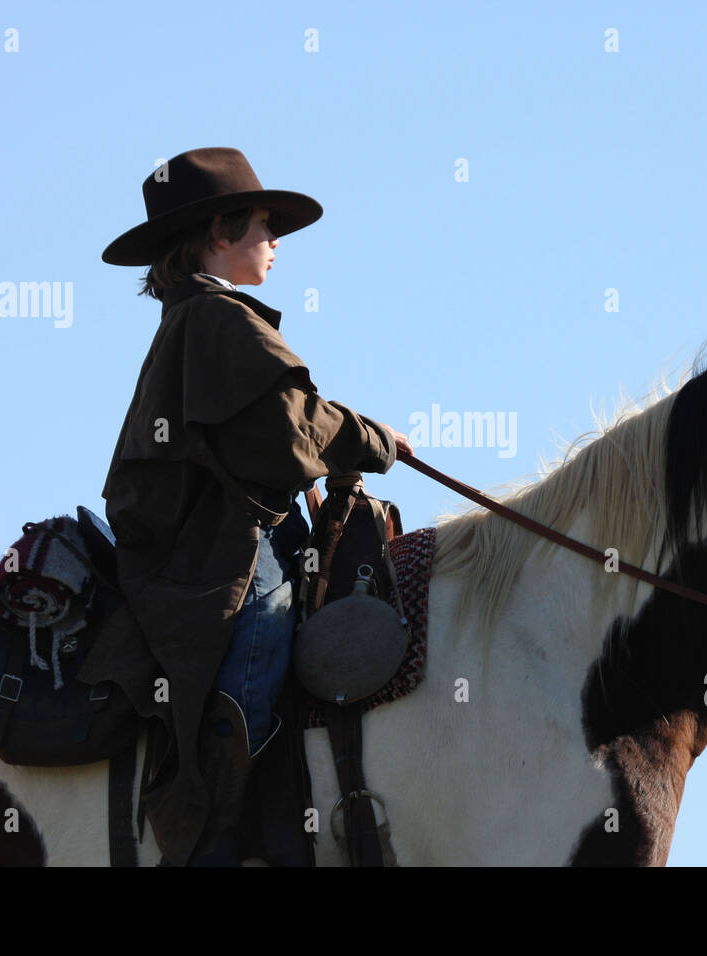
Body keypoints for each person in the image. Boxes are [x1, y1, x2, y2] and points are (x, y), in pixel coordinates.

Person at [97, 147, 410, 865]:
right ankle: (211, 825)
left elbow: (288, 425)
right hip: (205, 554)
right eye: (264, 227)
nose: (275, 244)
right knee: (266, 622)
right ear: (218, 233)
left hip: (201, 537)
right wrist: (376, 441)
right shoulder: (218, 320)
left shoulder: (205, 319)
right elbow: (291, 434)